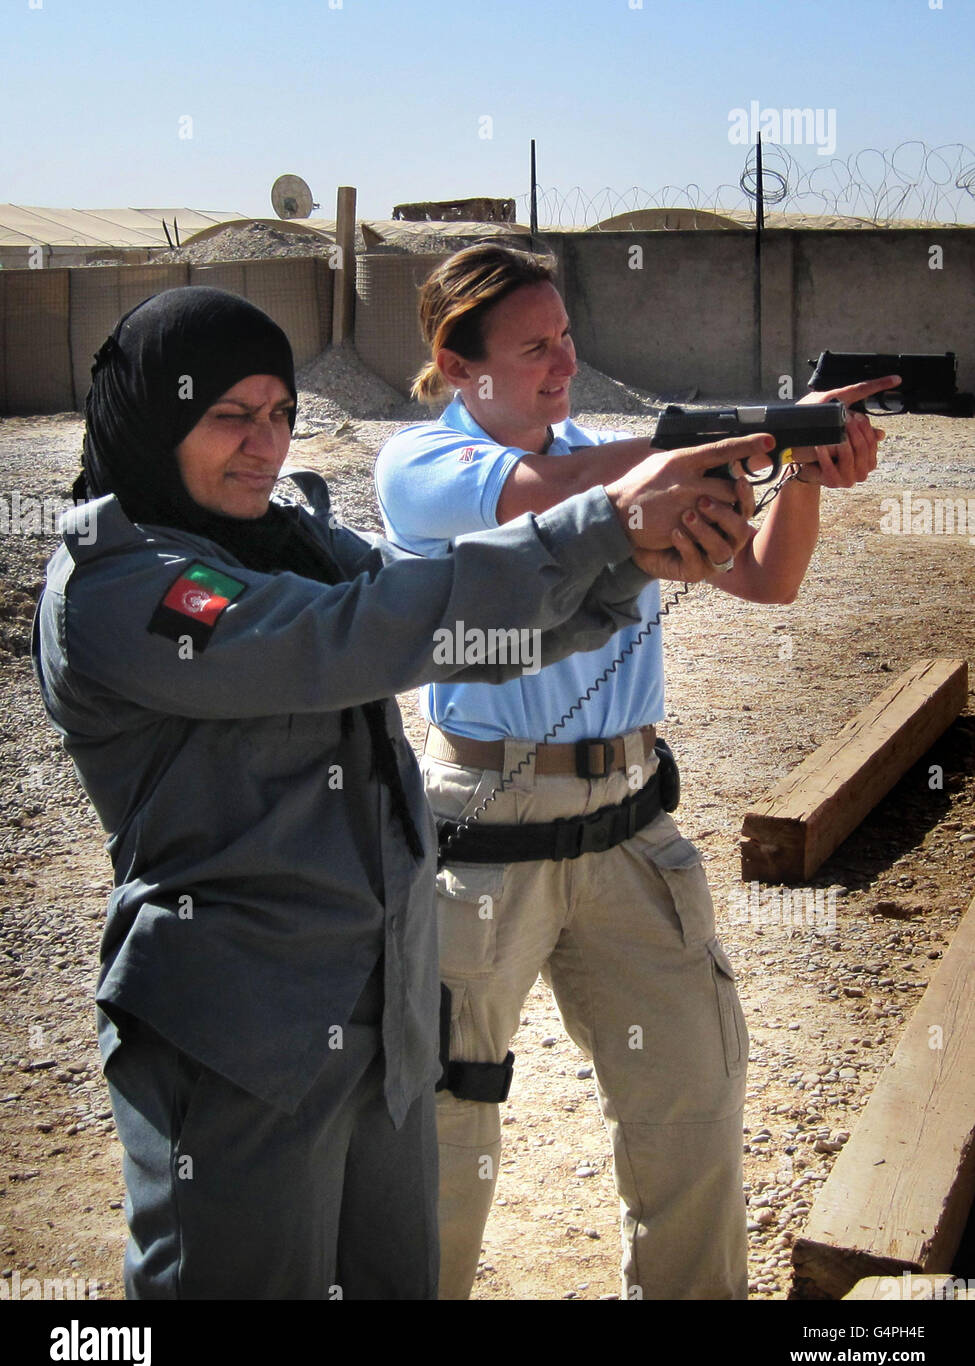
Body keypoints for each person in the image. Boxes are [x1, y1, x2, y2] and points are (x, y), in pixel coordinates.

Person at [31, 285, 769, 1300]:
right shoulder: (125, 587)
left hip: (380, 1018)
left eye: (281, 413)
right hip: (240, 1039)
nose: (265, 446)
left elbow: (439, 623)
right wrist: (598, 527)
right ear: (155, 420)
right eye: (228, 418)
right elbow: (350, 638)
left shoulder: (283, 538)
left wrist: (619, 572)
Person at [374, 242, 894, 1300]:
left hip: (628, 815)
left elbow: (770, 580)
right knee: (444, 1133)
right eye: (533, 348)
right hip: (486, 819)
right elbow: (547, 493)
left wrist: (797, 469)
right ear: (457, 361)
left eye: (566, 337)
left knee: (691, 1108)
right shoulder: (423, 467)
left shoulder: (605, 456)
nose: (563, 364)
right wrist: (740, 432)